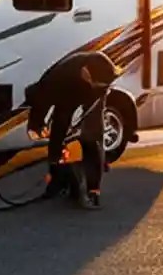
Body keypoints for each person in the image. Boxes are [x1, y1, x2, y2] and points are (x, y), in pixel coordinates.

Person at [24, 50, 123, 210]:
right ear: (85, 73)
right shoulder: (59, 76)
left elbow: (93, 118)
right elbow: (41, 99)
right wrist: (36, 125)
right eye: (95, 83)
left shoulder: (104, 73)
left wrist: (97, 90)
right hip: (67, 95)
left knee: (91, 136)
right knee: (58, 132)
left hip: (88, 96)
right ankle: (57, 180)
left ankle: (93, 190)